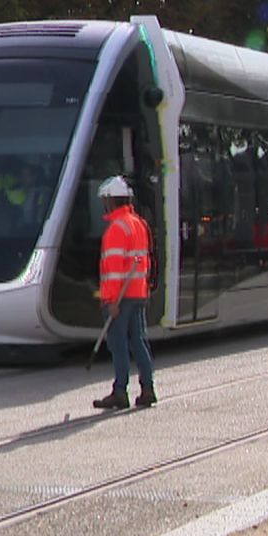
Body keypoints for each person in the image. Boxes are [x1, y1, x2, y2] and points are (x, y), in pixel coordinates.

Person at [92, 176, 155, 410]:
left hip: (121, 297)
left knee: (118, 344)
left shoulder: (116, 229)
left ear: (110, 201)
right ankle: (148, 388)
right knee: (139, 341)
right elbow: (141, 260)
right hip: (138, 292)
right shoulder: (139, 224)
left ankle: (120, 391)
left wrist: (110, 300)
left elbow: (115, 269)